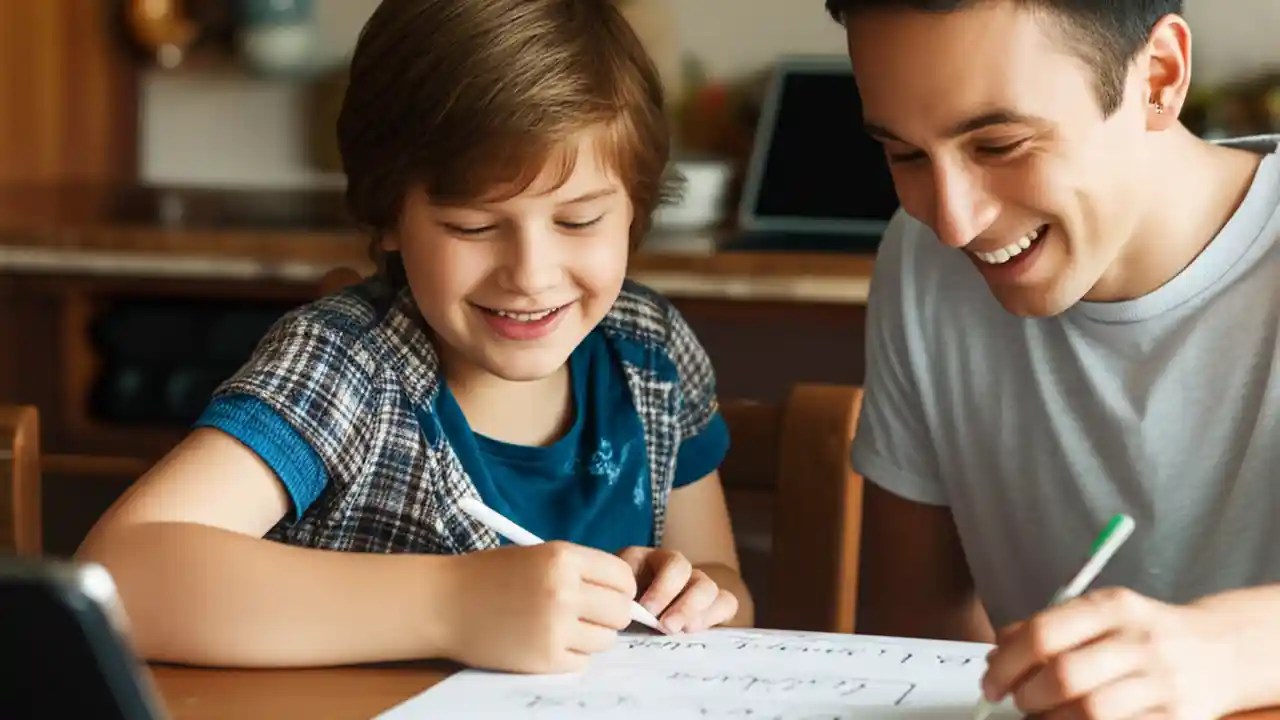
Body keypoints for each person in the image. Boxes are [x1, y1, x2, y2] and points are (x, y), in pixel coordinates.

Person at [77, 0, 753, 674]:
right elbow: (120, 577)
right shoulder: (347, 365)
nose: (531, 275)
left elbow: (727, 588)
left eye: (579, 222)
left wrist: (693, 595)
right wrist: (455, 604)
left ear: (635, 208)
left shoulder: (651, 353)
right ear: (390, 215)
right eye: (473, 227)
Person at [824, 0, 1280, 717]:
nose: (952, 221)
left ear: (1158, 78)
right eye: (904, 154)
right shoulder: (920, 261)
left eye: (999, 145)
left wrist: (1232, 652)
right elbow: (914, 640)